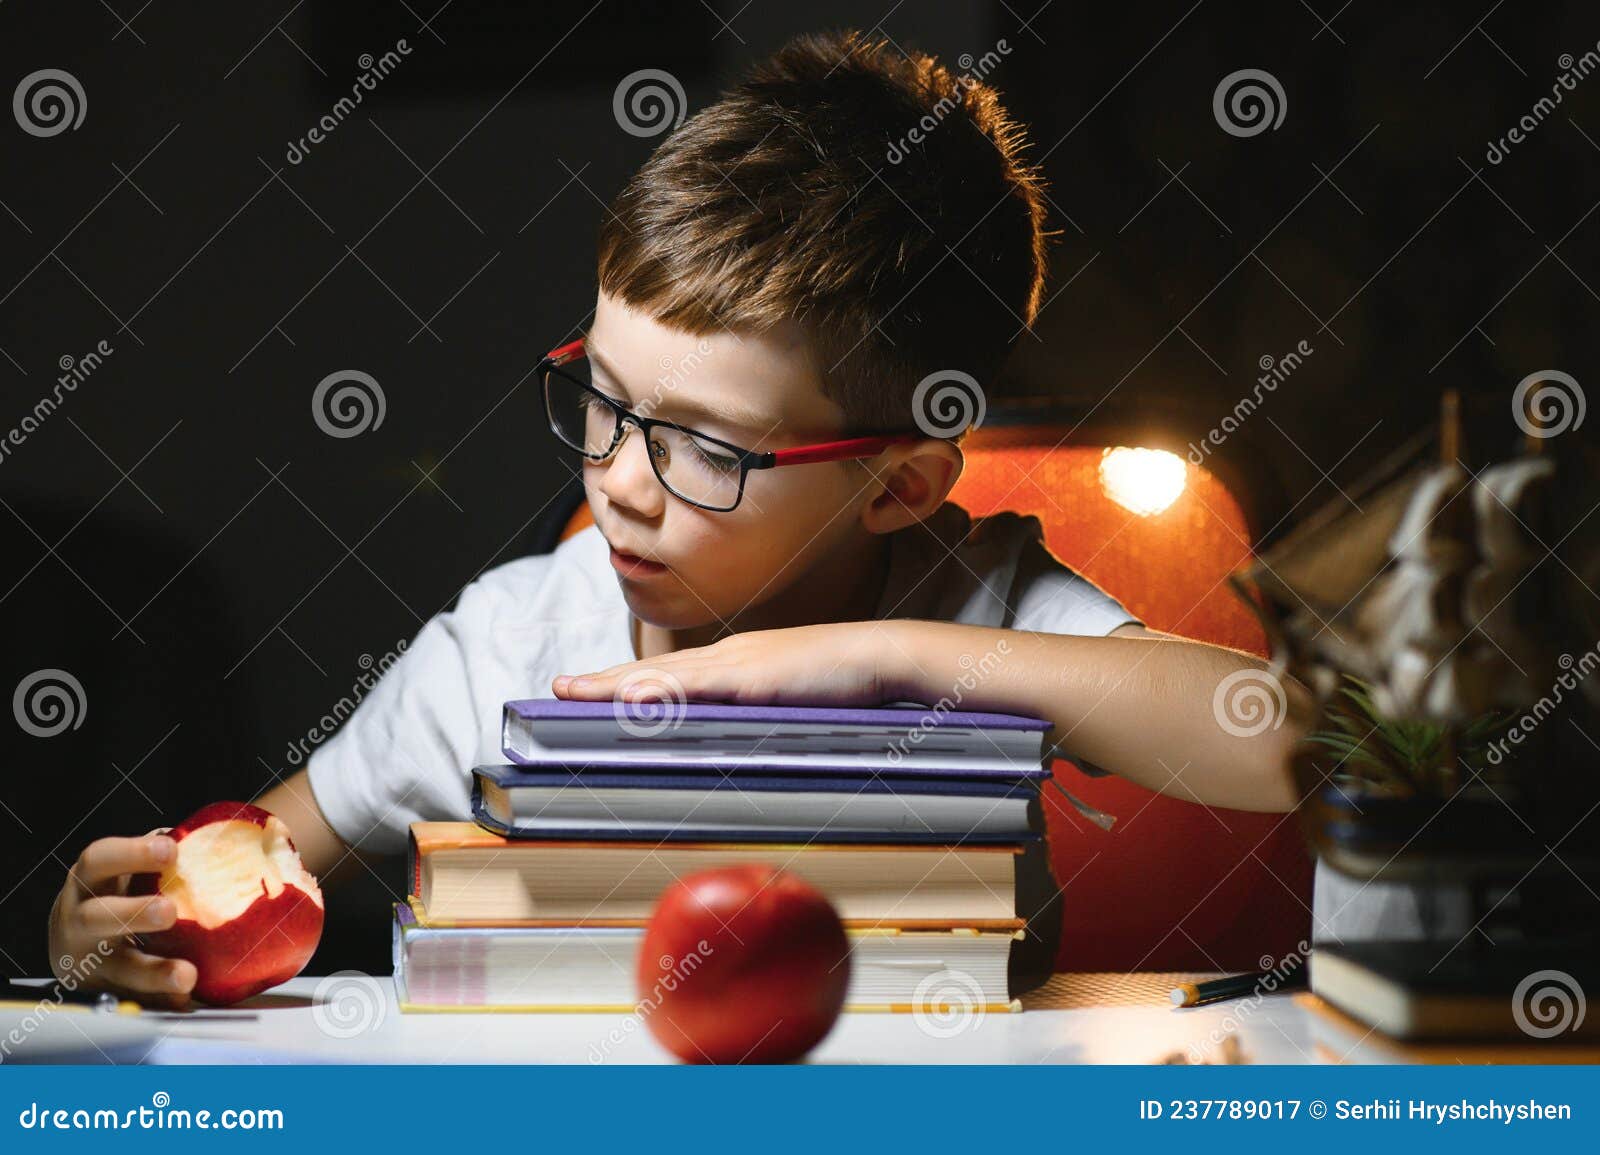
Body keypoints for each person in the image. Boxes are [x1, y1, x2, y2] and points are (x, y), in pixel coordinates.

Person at [48, 31, 1308, 1006]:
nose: (619, 482)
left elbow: (1285, 747)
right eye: (602, 396)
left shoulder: (966, 602)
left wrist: (883, 656)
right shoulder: (510, 641)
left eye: (704, 446)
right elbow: (253, 869)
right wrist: (117, 940)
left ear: (900, 486)